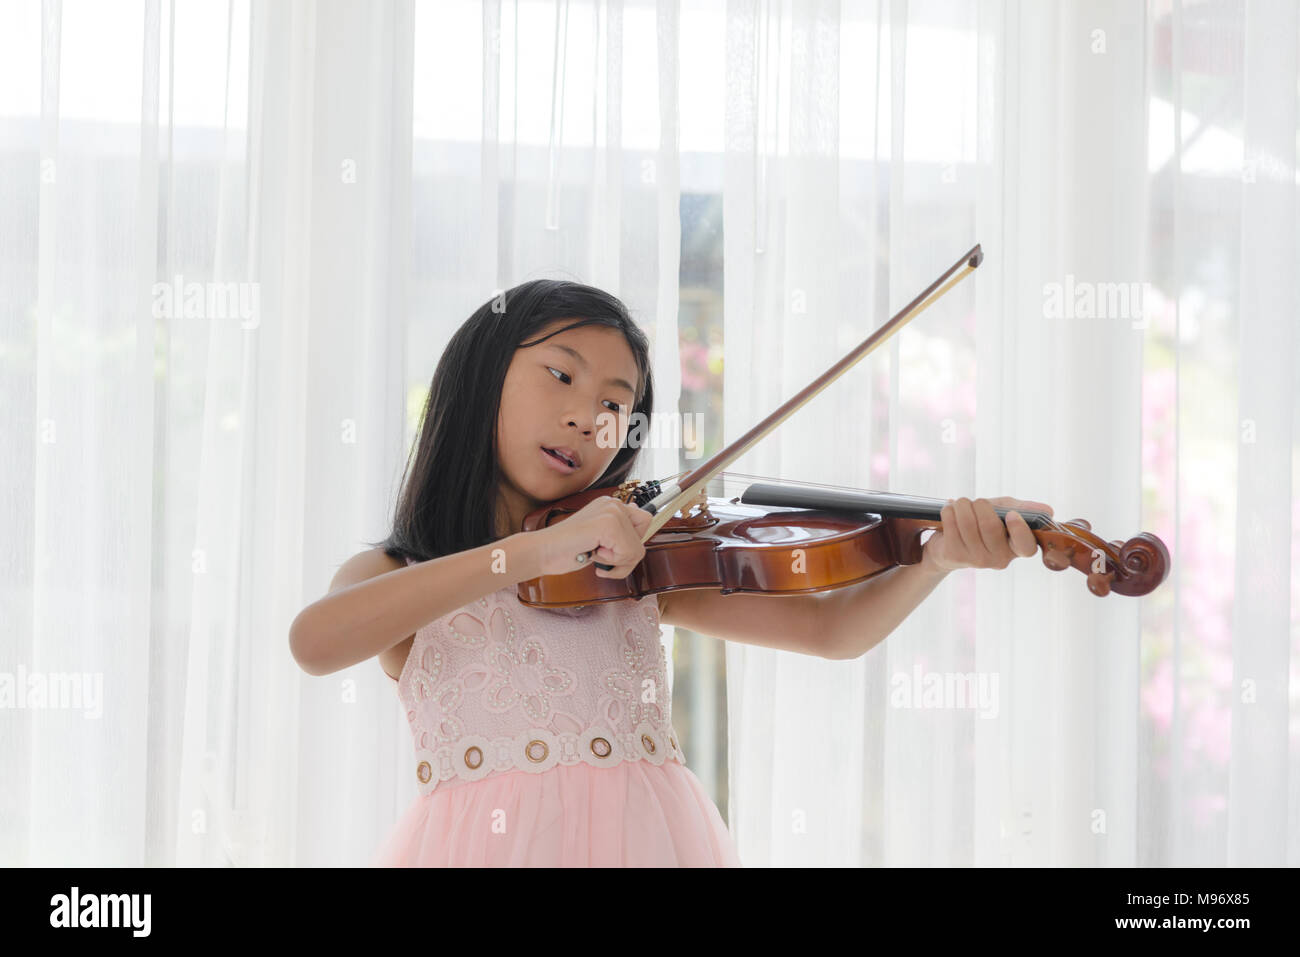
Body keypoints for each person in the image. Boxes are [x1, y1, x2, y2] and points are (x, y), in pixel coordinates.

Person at [288, 278, 1053, 867]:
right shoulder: (402, 573)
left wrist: (936, 557)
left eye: (616, 406)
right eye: (561, 375)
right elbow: (314, 642)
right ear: (479, 375)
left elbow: (831, 627)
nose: (589, 417)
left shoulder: (628, 568)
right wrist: (527, 554)